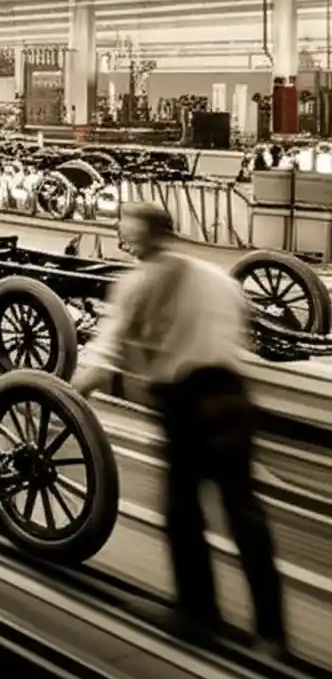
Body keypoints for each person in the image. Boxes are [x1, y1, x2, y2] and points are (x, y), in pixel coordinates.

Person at [71, 201, 286, 656]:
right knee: (244, 512)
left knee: (182, 511)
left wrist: (67, 401)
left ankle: (198, 614)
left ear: (143, 237)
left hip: (186, 404)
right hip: (232, 395)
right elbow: (240, 325)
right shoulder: (215, 276)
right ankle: (272, 634)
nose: (125, 240)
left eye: (128, 232)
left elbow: (105, 353)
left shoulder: (137, 284)